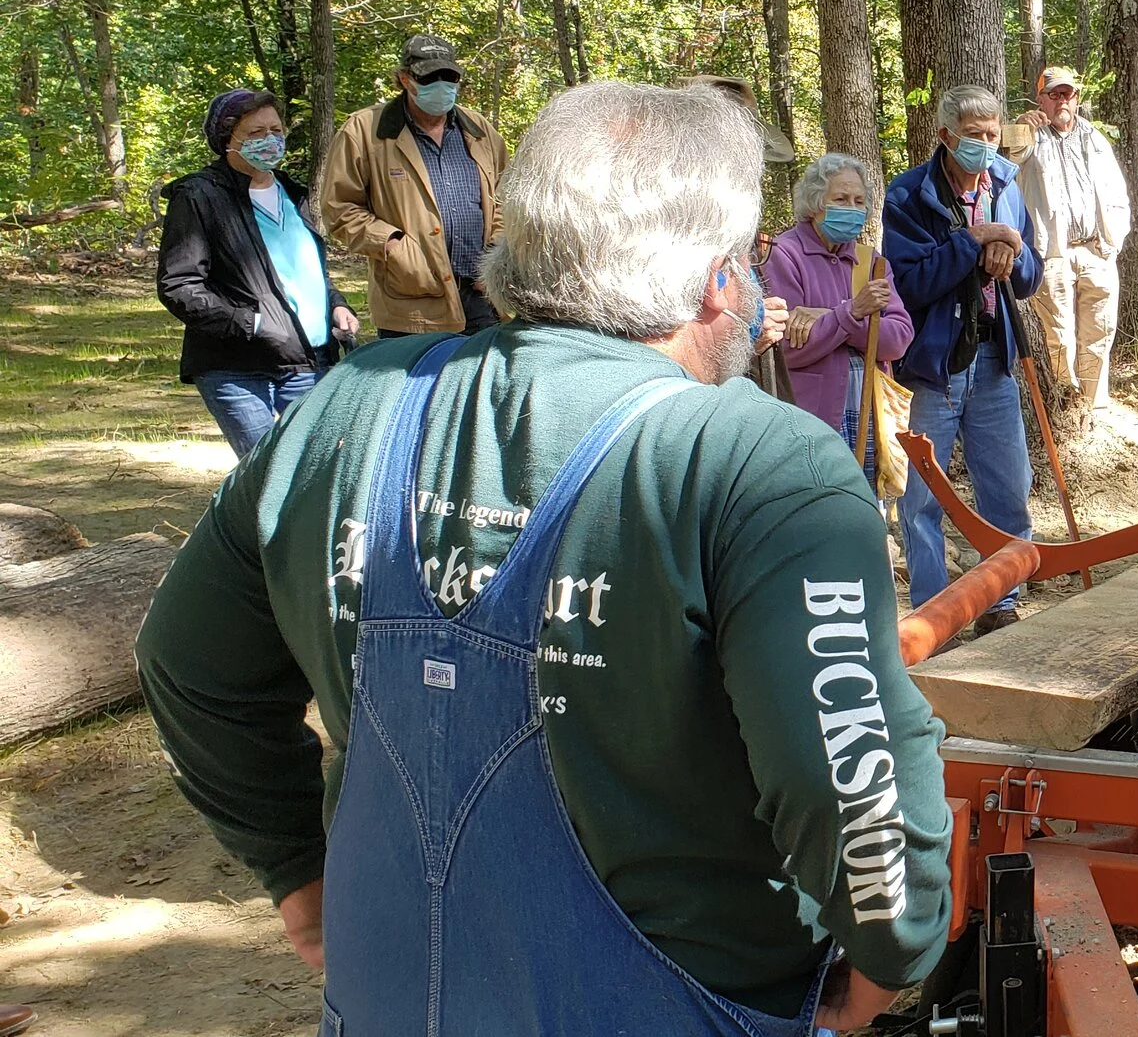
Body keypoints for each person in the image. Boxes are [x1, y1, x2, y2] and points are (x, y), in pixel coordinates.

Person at [135, 81, 945, 1036]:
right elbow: (851, 774)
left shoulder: (347, 406)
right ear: (718, 278)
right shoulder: (759, 461)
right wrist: (891, 950)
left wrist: (296, 872)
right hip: (680, 1002)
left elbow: (187, 665)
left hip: (387, 987)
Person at [884, 84, 1044, 627]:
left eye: (992, 134)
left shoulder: (1006, 186)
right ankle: (934, 616)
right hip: (933, 366)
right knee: (922, 498)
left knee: (1008, 488)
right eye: (973, 135)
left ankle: (1002, 603)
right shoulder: (908, 195)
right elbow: (910, 283)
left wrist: (1011, 248)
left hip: (995, 360)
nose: (984, 145)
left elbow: (1030, 278)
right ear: (945, 136)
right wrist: (973, 241)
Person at [157, 88, 359, 457]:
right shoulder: (198, 196)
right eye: (256, 133)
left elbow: (304, 273)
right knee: (266, 471)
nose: (270, 140)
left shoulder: (292, 193)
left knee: (319, 466)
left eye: (276, 131)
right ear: (227, 139)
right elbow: (179, 285)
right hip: (238, 369)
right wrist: (249, 324)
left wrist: (337, 305)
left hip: (309, 362)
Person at [320, 34, 507, 337]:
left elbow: (505, 199)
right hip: (411, 303)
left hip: (481, 297)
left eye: (449, 76)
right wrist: (394, 246)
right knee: (421, 372)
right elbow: (339, 208)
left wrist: (495, 253)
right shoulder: (365, 131)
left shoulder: (480, 130)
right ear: (405, 79)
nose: (441, 84)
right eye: (430, 77)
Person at [766, 152, 915, 456]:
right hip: (809, 419)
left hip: (871, 411)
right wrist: (852, 312)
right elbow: (787, 349)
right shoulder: (784, 254)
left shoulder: (870, 261)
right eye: (841, 199)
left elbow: (898, 339)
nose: (852, 208)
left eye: (859, 201)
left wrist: (832, 318)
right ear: (815, 204)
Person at [1014, 66, 1133, 424]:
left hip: (1097, 250)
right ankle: (1066, 409)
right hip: (1053, 253)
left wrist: (1114, 240)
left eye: (1067, 94)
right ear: (1041, 99)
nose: (1062, 100)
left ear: (1077, 98)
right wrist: (1019, 128)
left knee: (1100, 331)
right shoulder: (1029, 137)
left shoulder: (1095, 139)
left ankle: (1095, 409)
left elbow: (1118, 194)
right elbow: (1005, 160)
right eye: (1054, 94)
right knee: (1058, 336)